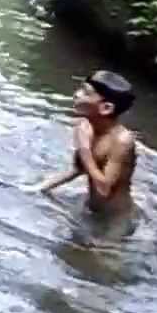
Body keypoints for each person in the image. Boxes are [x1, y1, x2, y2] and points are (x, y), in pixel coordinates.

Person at [31, 70, 138, 218]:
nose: (77, 94)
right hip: (89, 207)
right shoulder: (86, 126)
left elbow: (104, 189)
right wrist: (38, 189)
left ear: (106, 108)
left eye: (86, 93)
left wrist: (84, 148)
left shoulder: (121, 141)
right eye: (80, 88)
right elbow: (79, 169)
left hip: (114, 218)